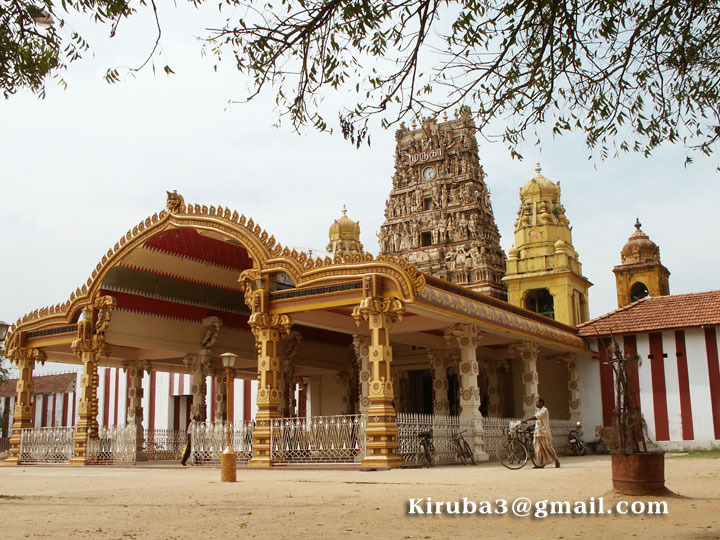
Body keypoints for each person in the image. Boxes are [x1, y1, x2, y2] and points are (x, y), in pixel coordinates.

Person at [521, 397, 560, 469]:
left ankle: (556, 460)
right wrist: (530, 425)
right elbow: (538, 422)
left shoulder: (544, 410)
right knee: (538, 448)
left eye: (537, 402)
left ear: (541, 403)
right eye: (536, 402)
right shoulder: (538, 411)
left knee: (547, 447)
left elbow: (536, 417)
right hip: (538, 432)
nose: (536, 404)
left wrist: (526, 420)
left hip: (543, 432)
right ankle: (540, 464)